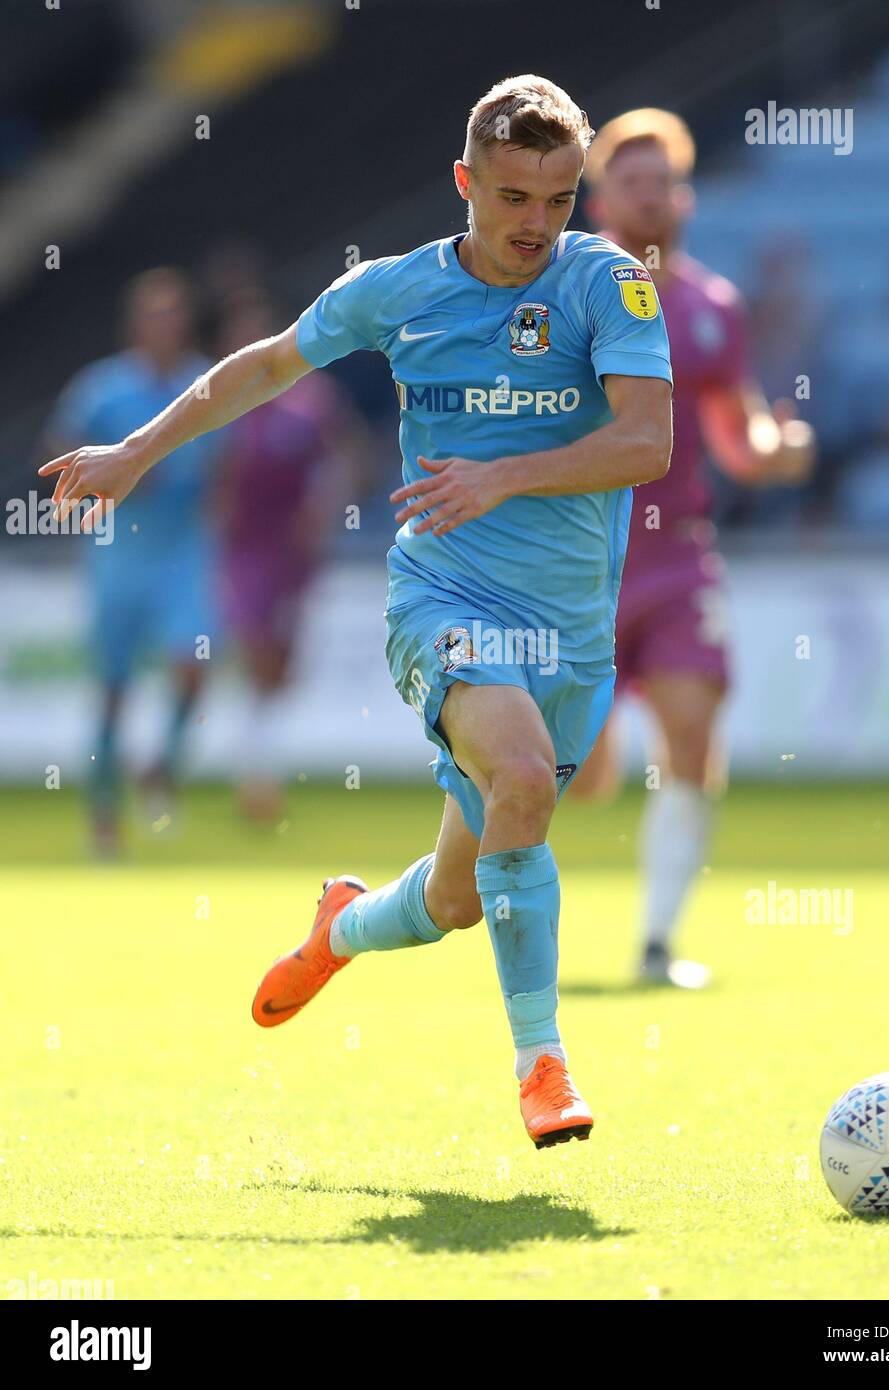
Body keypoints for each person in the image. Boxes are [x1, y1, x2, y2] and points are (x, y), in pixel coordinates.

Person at [38, 75, 673, 1148]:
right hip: (446, 594)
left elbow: (646, 442)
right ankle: (543, 1066)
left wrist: (506, 473)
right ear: (466, 182)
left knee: (461, 898)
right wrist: (138, 451)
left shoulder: (610, 286)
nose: (536, 223)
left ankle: (343, 924)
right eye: (514, 196)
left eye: (558, 199)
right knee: (519, 777)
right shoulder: (396, 290)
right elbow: (270, 364)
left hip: (569, 630)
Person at [573, 109, 815, 986]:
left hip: (676, 558)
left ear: (684, 196)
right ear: (600, 198)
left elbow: (736, 436)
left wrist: (774, 448)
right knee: (584, 776)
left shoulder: (713, 307)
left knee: (691, 736)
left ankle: (655, 944)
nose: (649, 199)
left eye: (662, 183)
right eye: (631, 183)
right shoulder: (570, 289)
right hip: (580, 560)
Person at [43, 268, 224, 856]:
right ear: (134, 324)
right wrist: (94, 489)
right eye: (154, 314)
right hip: (119, 550)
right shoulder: (103, 388)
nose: (164, 325)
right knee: (113, 689)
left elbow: (228, 451)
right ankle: (102, 813)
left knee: (195, 666)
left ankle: (162, 764)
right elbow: (57, 447)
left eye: (173, 314)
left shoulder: (205, 379)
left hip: (182, 549)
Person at [212, 286, 371, 821]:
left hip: (293, 553)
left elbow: (351, 455)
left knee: (281, 664)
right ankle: (255, 779)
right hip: (242, 550)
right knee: (255, 652)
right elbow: (207, 473)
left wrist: (328, 507)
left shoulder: (310, 402)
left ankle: (261, 770)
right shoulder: (219, 401)